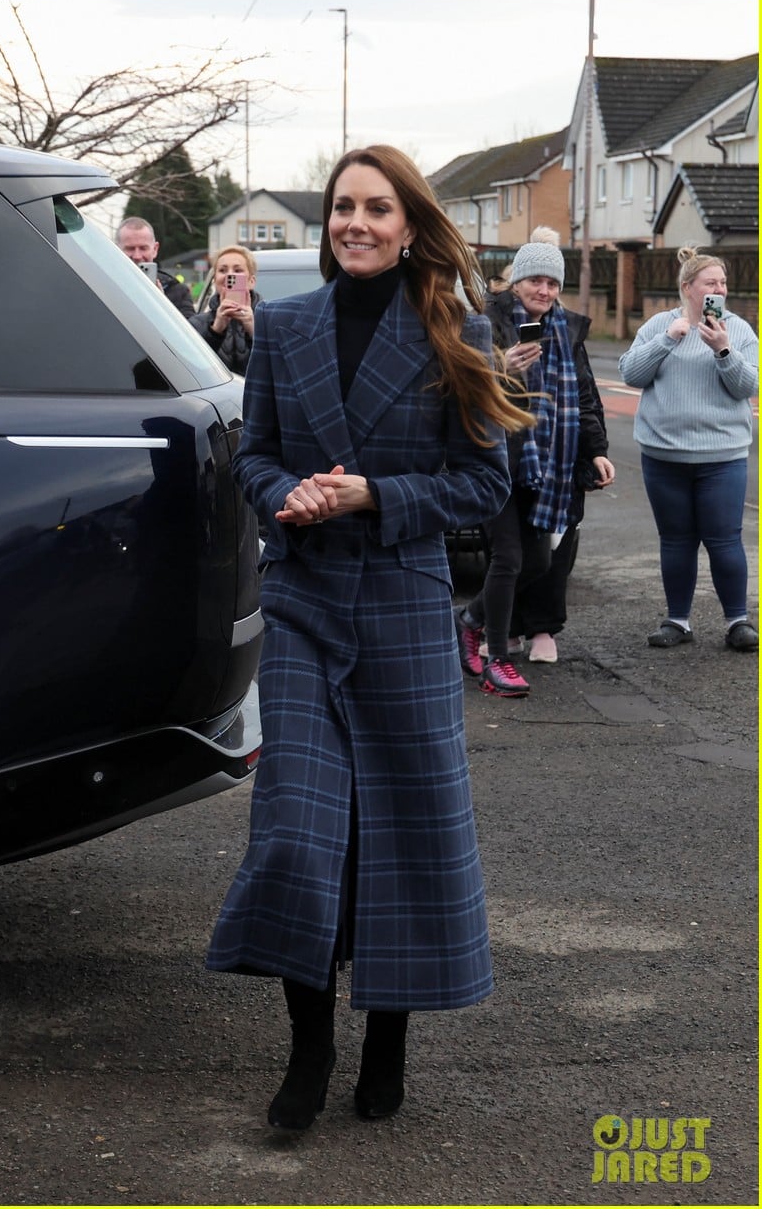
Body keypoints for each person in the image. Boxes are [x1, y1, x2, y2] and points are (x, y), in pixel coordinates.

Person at [206, 144, 532, 1132]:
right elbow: (252, 456)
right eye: (342, 207)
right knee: (298, 832)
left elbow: (485, 485)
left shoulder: (454, 331)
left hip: (401, 605)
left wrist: (373, 494)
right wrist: (289, 492)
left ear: (408, 223)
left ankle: (385, 1041)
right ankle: (308, 1051)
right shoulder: (287, 327)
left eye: (375, 208)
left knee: (402, 834)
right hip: (303, 605)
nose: (354, 222)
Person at [454, 229, 614, 691]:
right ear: (517, 280)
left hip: (546, 464)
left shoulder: (568, 330)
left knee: (539, 563)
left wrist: (597, 452)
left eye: (552, 283)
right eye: (535, 281)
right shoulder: (485, 320)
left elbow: (583, 398)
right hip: (496, 458)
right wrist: (502, 369)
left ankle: (469, 619)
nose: (543, 291)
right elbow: (461, 387)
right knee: (507, 558)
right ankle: (497, 660)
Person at [619, 246, 759, 652]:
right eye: (710, 282)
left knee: (724, 540)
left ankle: (738, 621)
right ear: (687, 288)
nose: (720, 289)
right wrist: (668, 339)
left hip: (721, 458)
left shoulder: (739, 331)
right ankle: (677, 620)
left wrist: (722, 350)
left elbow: (747, 387)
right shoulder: (660, 325)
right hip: (664, 457)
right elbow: (631, 373)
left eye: (723, 283)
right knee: (676, 540)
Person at [189, 245, 260, 375]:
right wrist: (215, 331)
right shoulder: (196, 324)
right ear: (215, 280)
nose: (230, 275)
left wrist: (253, 330)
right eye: (223, 270)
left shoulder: (269, 322)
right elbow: (191, 368)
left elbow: (279, 366)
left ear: (251, 281)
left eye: (238, 270)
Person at [115, 217, 196, 319]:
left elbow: (188, 332)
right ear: (115, 249)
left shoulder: (177, 292)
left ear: (155, 249)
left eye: (143, 248)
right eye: (130, 249)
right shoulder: (101, 286)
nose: (137, 256)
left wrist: (162, 304)